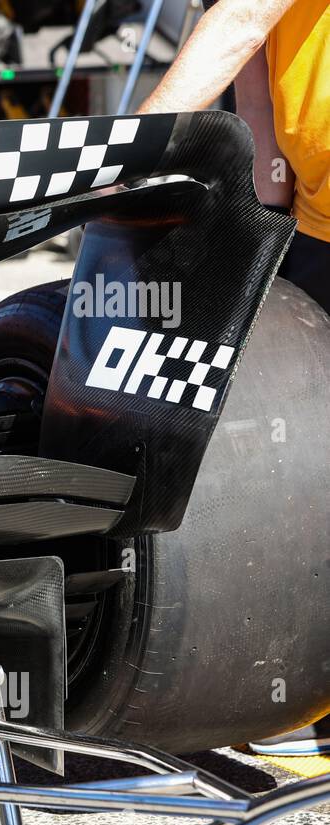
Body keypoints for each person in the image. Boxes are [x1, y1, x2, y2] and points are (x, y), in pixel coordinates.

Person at [139, 0, 330, 756]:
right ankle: (307, 696)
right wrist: (265, 216)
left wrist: (123, 158)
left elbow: (243, 20)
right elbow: (256, 76)